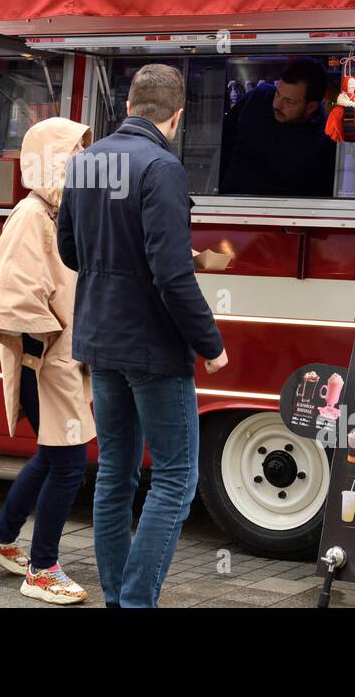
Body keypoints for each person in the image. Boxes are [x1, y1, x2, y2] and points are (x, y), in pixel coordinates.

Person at [57, 63, 228, 608]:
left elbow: (70, 252)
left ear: (128, 106)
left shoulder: (84, 162)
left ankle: (117, 597)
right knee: (176, 479)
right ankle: (135, 601)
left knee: (114, 475)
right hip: (153, 347)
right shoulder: (163, 168)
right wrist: (211, 343)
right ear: (176, 116)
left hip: (99, 338)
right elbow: (171, 274)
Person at [0, 117, 96, 605]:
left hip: (61, 356)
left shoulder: (57, 213)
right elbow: (16, 299)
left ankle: (0, 539)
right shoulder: (32, 215)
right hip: (48, 359)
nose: (85, 160)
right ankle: (42, 569)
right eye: (75, 152)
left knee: (52, 454)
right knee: (69, 461)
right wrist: (51, 347)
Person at [218, 59, 336, 197]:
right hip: (229, 203)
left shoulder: (324, 141)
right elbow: (222, 144)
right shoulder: (255, 100)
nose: (277, 105)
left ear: (311, 107)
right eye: (278, 94)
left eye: (289, 101)